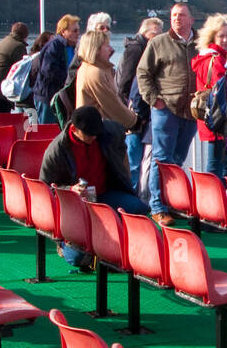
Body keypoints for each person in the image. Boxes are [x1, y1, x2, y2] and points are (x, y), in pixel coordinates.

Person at [40, 105, 149, 270]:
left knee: (138, 208)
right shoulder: (56, 151)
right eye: (88, 134)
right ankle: (64, 245)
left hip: (105, 194)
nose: (93, 138)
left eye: (95, 134)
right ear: (74, 129)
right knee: (77, 258)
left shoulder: (108, 131)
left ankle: (126, 250)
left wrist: (120, 162)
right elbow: (45, 188)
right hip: (74, 206)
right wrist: (69, 189)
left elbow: (121, 135)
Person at [137, 2, 196, 226]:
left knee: (178, 159)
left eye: (181, 15)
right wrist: (154, 100)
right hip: (165, 110)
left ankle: (172, 202)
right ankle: (158, 206)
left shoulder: (200, 43)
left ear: (192, 19)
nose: (176, 19)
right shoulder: (159, 42)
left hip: (190, 111)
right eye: (173, 15)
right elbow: (143, 73)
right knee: (160, 159)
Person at [116, 16, 164, 198]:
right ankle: (134, 198)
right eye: (157, 34)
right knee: (135, 160)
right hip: (135, 114)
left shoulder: (145, 50)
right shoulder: (137, 49)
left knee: (140, 159)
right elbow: (126, 83)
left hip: (141, 113)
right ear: (147, 33)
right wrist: (131, 114)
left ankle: (138, 196)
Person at [191, 13, 227, 179]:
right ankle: (219, 201)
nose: (225, 40)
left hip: (213, 118)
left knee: (221, 162)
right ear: (213, 36)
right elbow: (225, 90)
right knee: (221, 163)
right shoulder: (216, 60)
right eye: (221, 36)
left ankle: (219, 199)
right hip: (219, 119)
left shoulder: (212, 57)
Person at [74, 29, 137, 131]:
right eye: (106, 45)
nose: (111, 49)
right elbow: (111, 104)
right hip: (97, 130)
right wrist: (134, 121)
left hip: (92, 126)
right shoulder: (95, 72)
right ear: (96, 49)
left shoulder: (88, 68)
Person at [34, 14, 80, 124]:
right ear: (64, 31)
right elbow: (48, 70)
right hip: (48, 96)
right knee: (46, 131)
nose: (78, 33)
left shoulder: (74, 48)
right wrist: (68, 80)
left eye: (78, 30)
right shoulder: (54, 46)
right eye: (74, 31)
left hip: (63, 97)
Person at [0, 22, 30, 116]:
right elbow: (23, 69)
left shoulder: (4, 41)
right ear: (25, 35)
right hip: (0, 91)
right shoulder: (18, 46)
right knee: (2, 122)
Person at [66, 13, 114, 88]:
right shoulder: (84, 47)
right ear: (93, 29)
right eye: (101, 28)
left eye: (107, 28)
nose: (105, 30)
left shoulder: (107, 49)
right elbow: (73, 71)